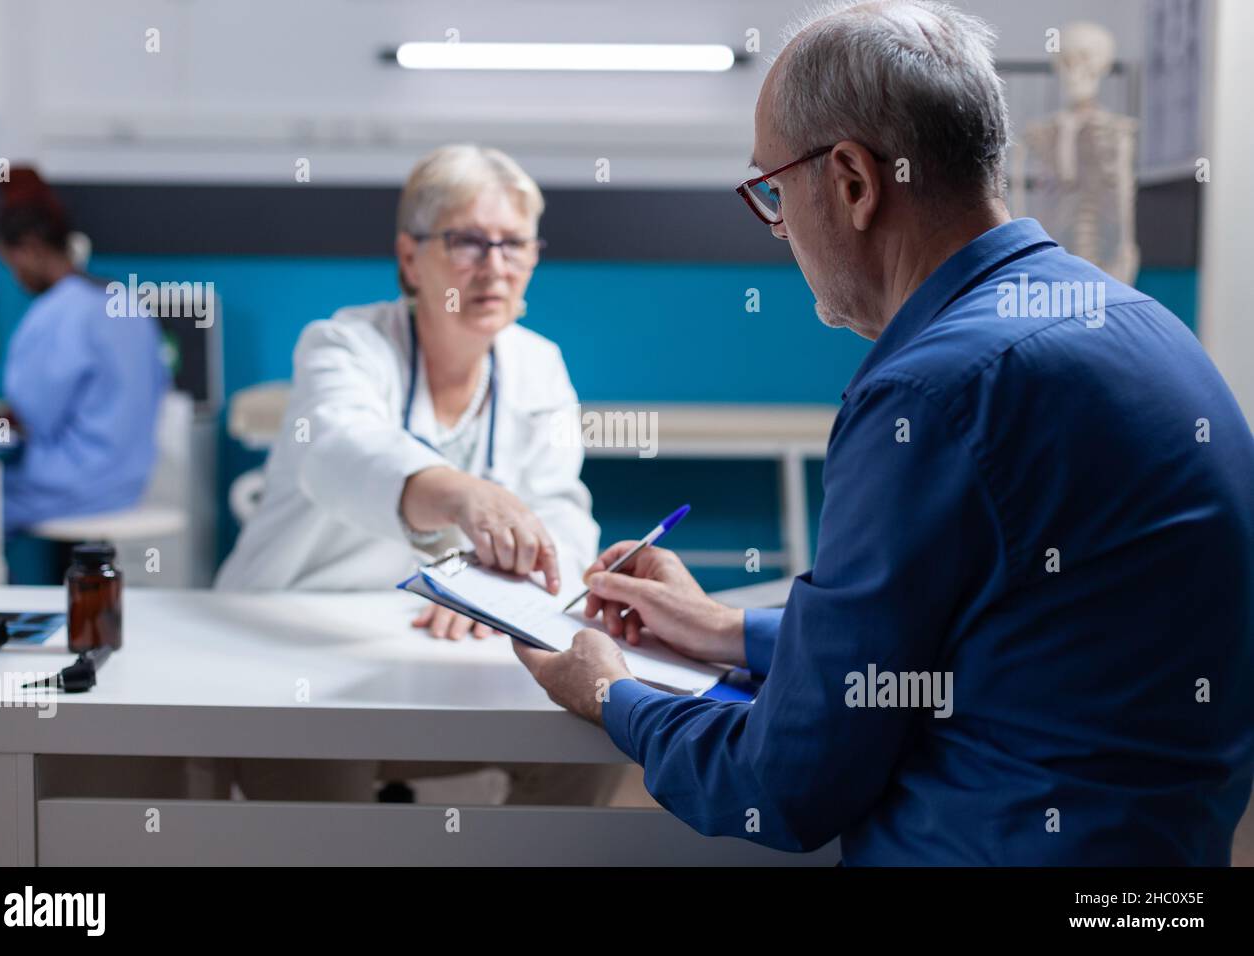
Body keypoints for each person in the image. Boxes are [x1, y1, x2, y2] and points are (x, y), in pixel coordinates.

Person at [514, 0, 1254, 864]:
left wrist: (611, 695)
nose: (780, 229)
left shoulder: (932, 393)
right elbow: (994, 635)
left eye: (774, 193)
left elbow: (783, 787)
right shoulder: (1133, 323)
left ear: (855, 183)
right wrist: (724, 630)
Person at [215, 144, 619, 806]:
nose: (495, 267)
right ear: (410, 257)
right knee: (324, 804)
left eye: (515, 244)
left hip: (451, 647)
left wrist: (502, 589)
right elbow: (340, 450)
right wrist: (462, 496)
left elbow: (561, 508)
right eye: (468, 242)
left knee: (594, 733)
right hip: (300, 633)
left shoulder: (538, 365)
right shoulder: (344, 344)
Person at [0, 168, 167, 534]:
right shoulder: (125, 303)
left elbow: (35, 416)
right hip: (127, 485)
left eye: (12, 263)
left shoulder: (58, 313)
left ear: (30, 247)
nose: (16, 275)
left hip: (73, 487)